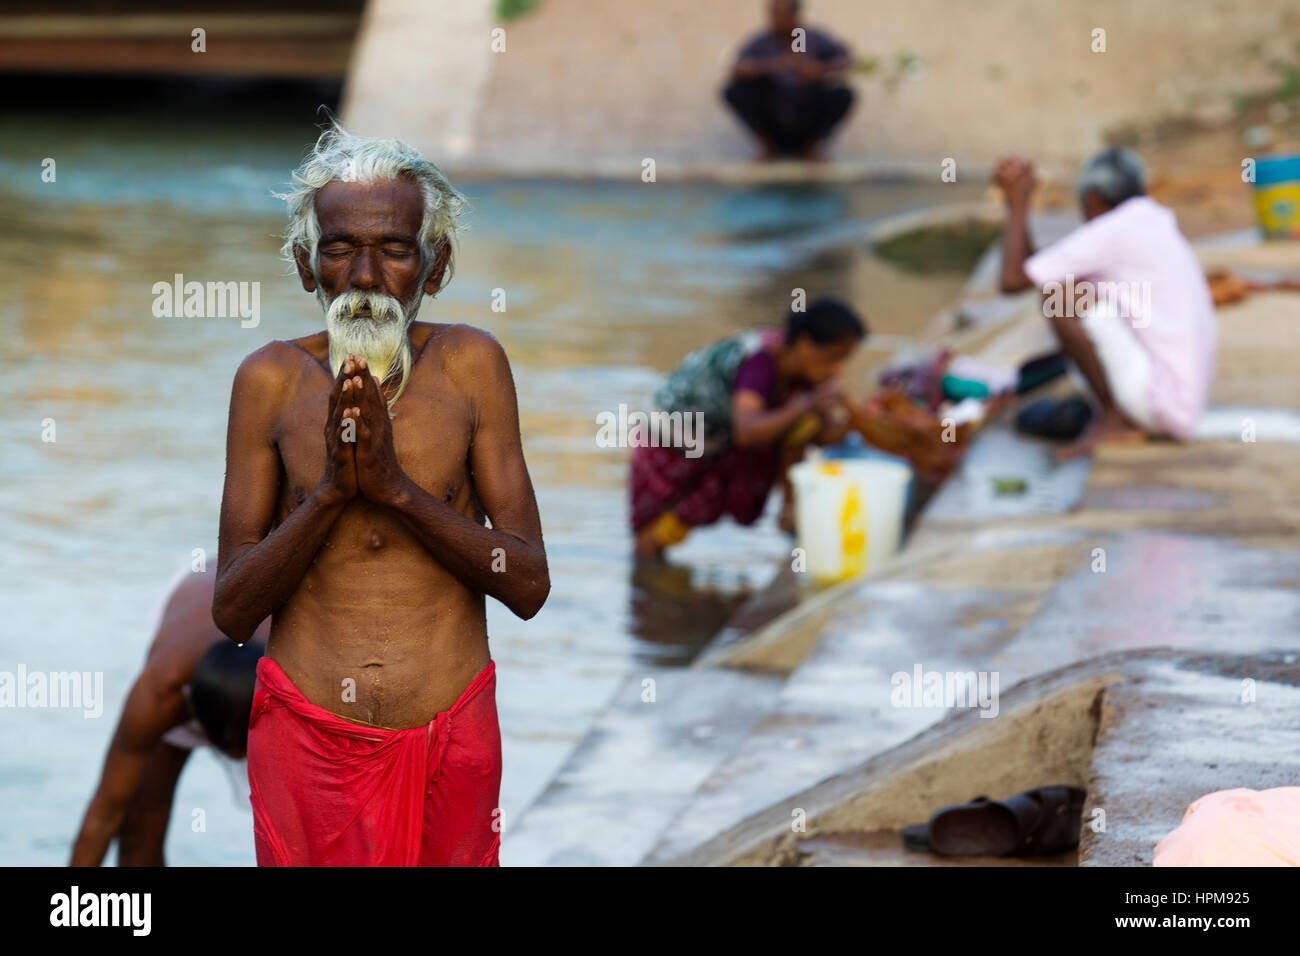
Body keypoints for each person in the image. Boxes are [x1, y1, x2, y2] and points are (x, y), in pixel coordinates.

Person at [212, 123, 549, 867]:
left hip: (450, 741)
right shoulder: (268, 382)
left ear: (436, 268)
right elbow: (233, 610)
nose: (365, 277)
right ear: (307, 265)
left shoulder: (470, 366)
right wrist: (332, 494)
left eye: (395, 249)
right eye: (339, 248)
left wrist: (395, 492)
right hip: (307, 746)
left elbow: (526, 583)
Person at [995, 147, 1218, 459]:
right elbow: (1040, 267)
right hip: (1180, 399)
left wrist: (1018, 202)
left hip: (1159, 403)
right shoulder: (1148, 220)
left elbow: (1012, 280)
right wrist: (1019, 200)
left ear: (1093, 200)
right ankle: (1115, 413)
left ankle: (1114, 419)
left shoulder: (1113, 231)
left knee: (1058, 298)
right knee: (1063, 288)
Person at [631, 298, 867, 559]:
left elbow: (815, 436)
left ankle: (653, 580)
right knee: (655, 532)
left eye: (843, 360)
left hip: (713, 442)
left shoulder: (800, 379)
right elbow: (747, 432)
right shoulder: (761, 363)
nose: (838, 369)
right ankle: (647, 585)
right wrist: (802, 407)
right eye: (832, 358)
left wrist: (854, 416)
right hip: (671, 441)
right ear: (803, 345)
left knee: (675, 521)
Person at [70, 567, 269, 866]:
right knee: (142, 818)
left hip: (260, 613)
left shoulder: (293, 676)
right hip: (192, 606)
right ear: (191, 717)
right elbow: (104, 815)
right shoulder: (160, 693)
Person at [723, 0, 855, 160]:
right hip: (775, 115)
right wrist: (771, 67)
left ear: (794, 15)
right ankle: (768, 147)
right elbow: (738, 68)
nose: (774, 19)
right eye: (772, 14)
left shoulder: (813, 37)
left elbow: (846, 61)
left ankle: (811, 147)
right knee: (736, 90)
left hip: (807, 112)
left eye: (779, 14)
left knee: (843, 93)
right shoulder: (762, 41)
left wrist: (819, 70)